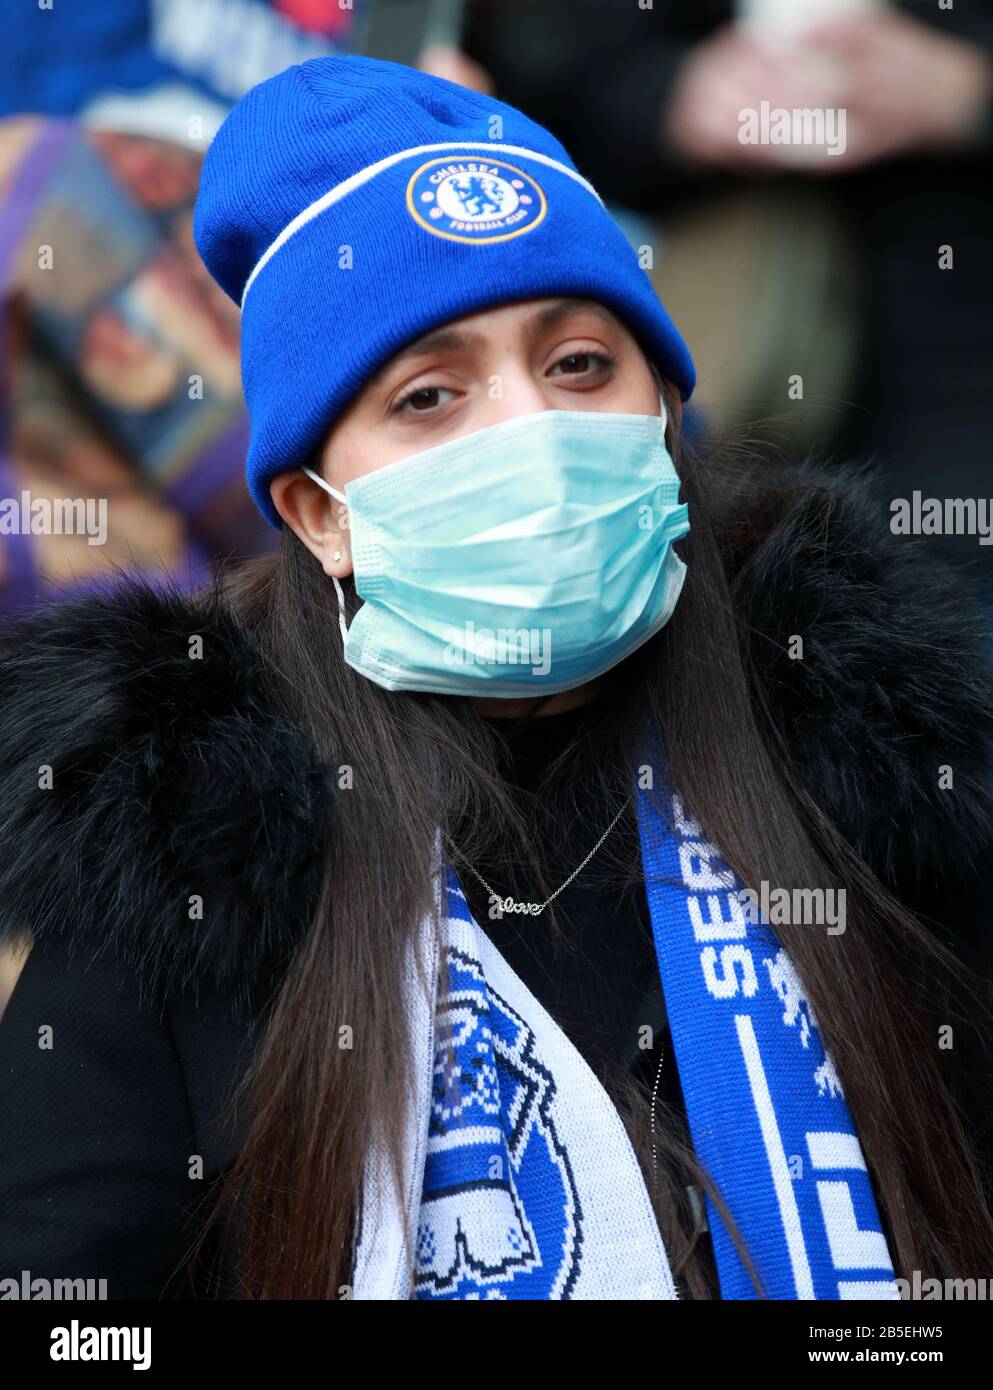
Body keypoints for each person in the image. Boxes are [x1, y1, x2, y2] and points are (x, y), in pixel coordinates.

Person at [1, 55, 993, 1303]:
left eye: (580, 364)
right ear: (320, 514)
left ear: (664, 410)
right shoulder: (173, 850)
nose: (530, 428)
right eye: (430, 396)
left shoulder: (878, 765)